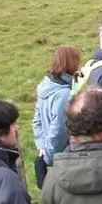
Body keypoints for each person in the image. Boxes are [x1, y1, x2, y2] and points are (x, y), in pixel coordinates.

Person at [32, 45, 80, 188]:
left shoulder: (45, 85)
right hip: (64, 159)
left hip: (51, 155)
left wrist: (42, 148)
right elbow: (58, 130)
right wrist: (48, 156)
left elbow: (37, 121)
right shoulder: (64, 94)